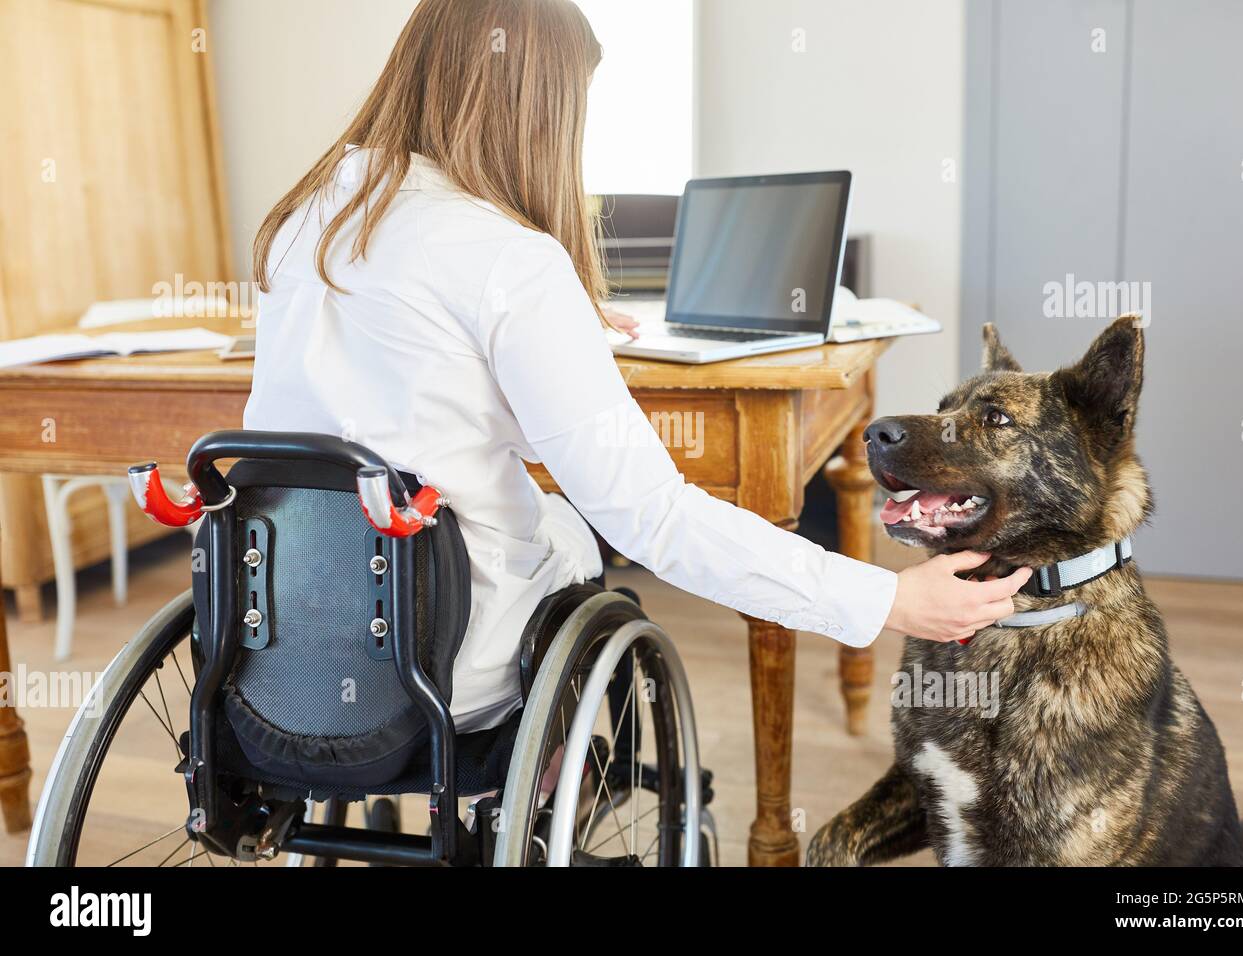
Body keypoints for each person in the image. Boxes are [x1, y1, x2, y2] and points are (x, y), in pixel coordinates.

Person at [244, 0, 1031, 731]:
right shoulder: (509, 261)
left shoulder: (303, 221)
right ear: (538, 108)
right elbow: (650, 517)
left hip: (280, 637)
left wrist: (551, 335)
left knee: (546, 524)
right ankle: (549, 775)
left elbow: (411, 392)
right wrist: (884, 597)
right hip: (439, 655)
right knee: (577, 537)